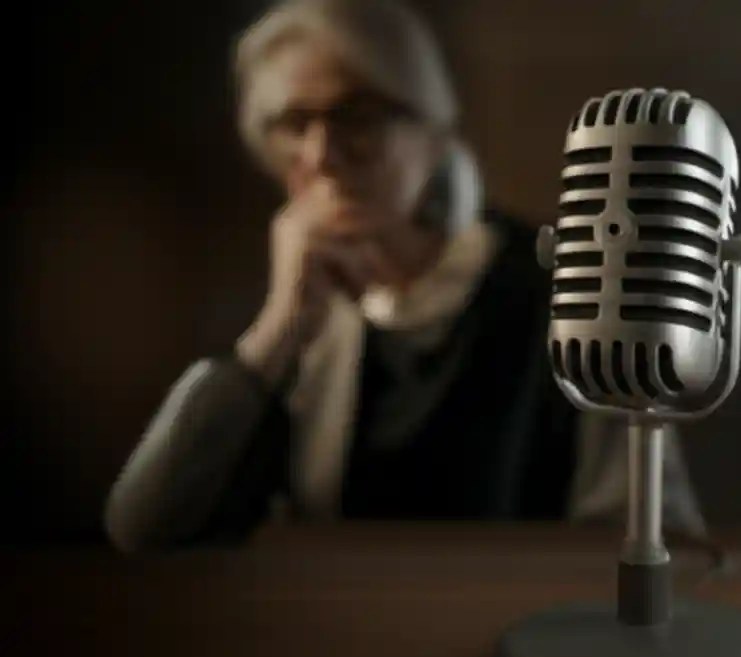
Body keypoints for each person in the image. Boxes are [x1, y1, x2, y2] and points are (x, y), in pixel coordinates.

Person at [103, 0, 708, 552]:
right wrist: (276, 333)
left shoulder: (566, 287)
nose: (318, 156)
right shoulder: (304, 312)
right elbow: (142, 530)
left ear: (434, 132)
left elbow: (657, 539)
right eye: (292, 124)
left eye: (357, 118)